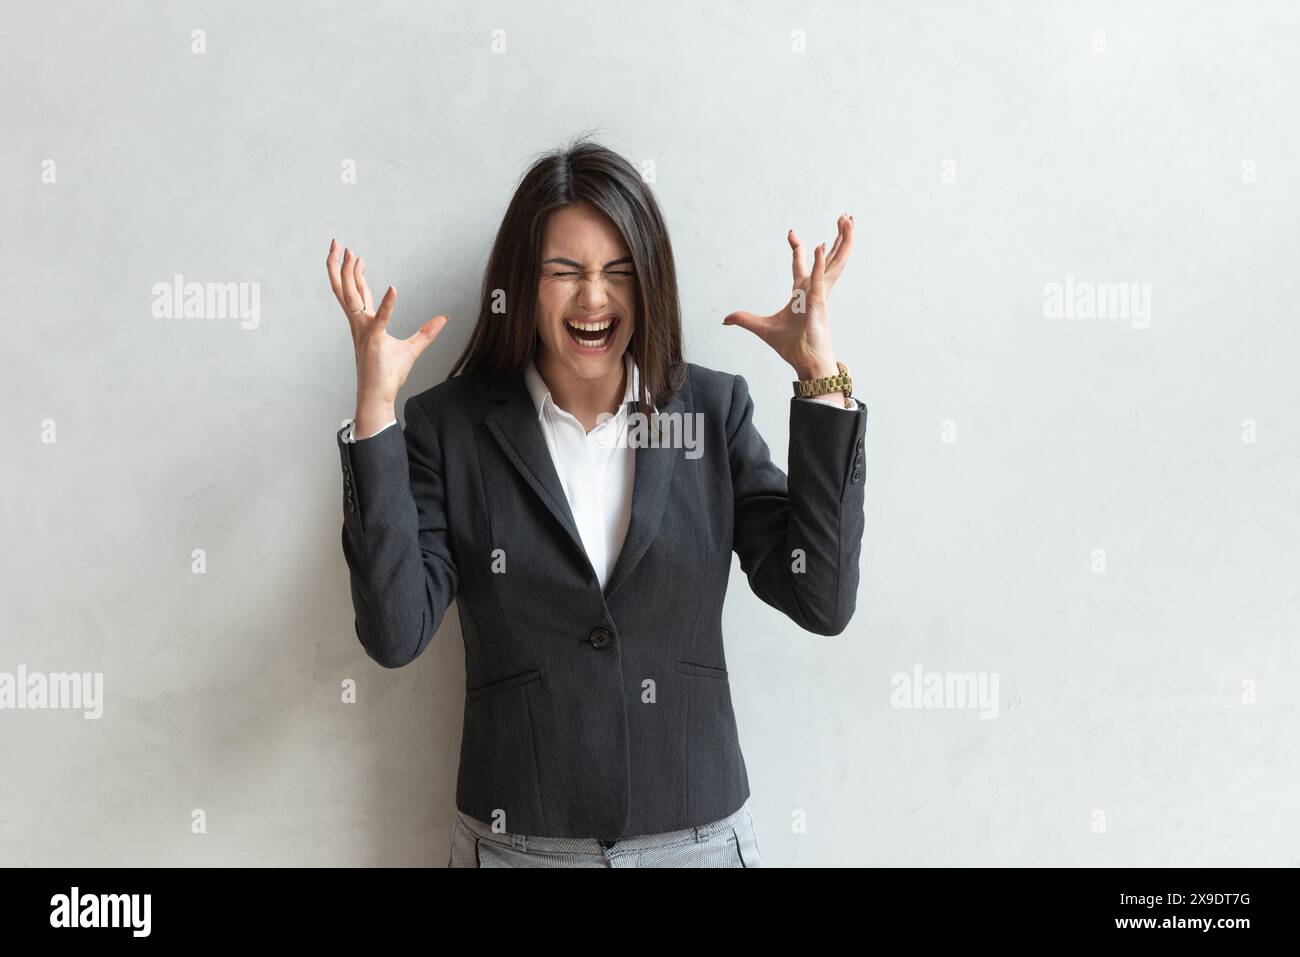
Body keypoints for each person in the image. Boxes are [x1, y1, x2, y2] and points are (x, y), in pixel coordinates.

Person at [325, 137, 867, 867]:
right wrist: (375, 413)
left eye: (618, 272)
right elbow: (394, 632)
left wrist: (820, 377)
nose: (593, 297)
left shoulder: (710, 411)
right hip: (519, 846)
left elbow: (821, 598)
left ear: (649, 282)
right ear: (522, 284)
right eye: (565, 271)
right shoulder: (449, 427)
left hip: (698, 842)